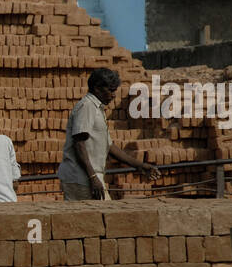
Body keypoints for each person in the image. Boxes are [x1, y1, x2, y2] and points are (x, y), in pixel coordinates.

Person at [58, 68, 161, 199]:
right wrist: (93, 177)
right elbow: (79, 144)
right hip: (80, 179)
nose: (113, 95)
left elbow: (109, 146)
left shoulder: (97, 108)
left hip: (89, 178)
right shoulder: (87, 106)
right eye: (110, 90)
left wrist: (139, 165)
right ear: (97, 88)